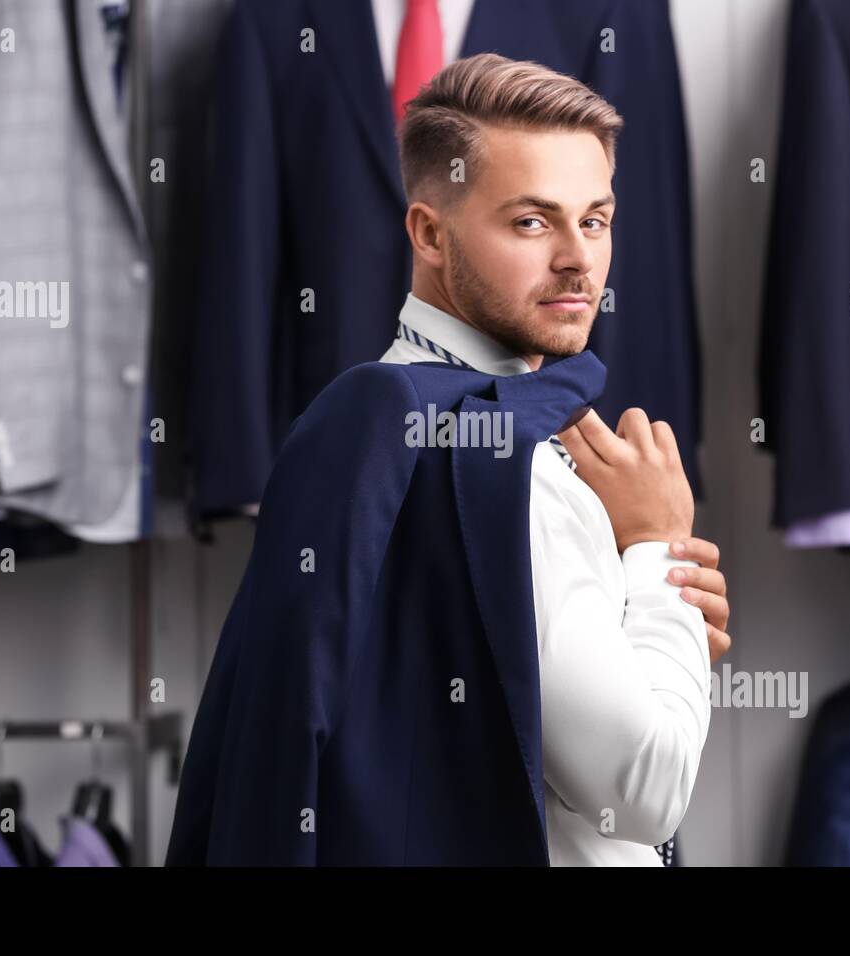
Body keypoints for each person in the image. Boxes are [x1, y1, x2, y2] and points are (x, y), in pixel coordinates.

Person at [168, 53, 731, 867]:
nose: (578, 259)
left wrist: (649, 629)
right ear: (429, 233)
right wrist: (655, 549)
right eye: (533, 222)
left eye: (596, 220)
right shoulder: (520, 472)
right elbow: (646, 790)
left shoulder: (357, 427)